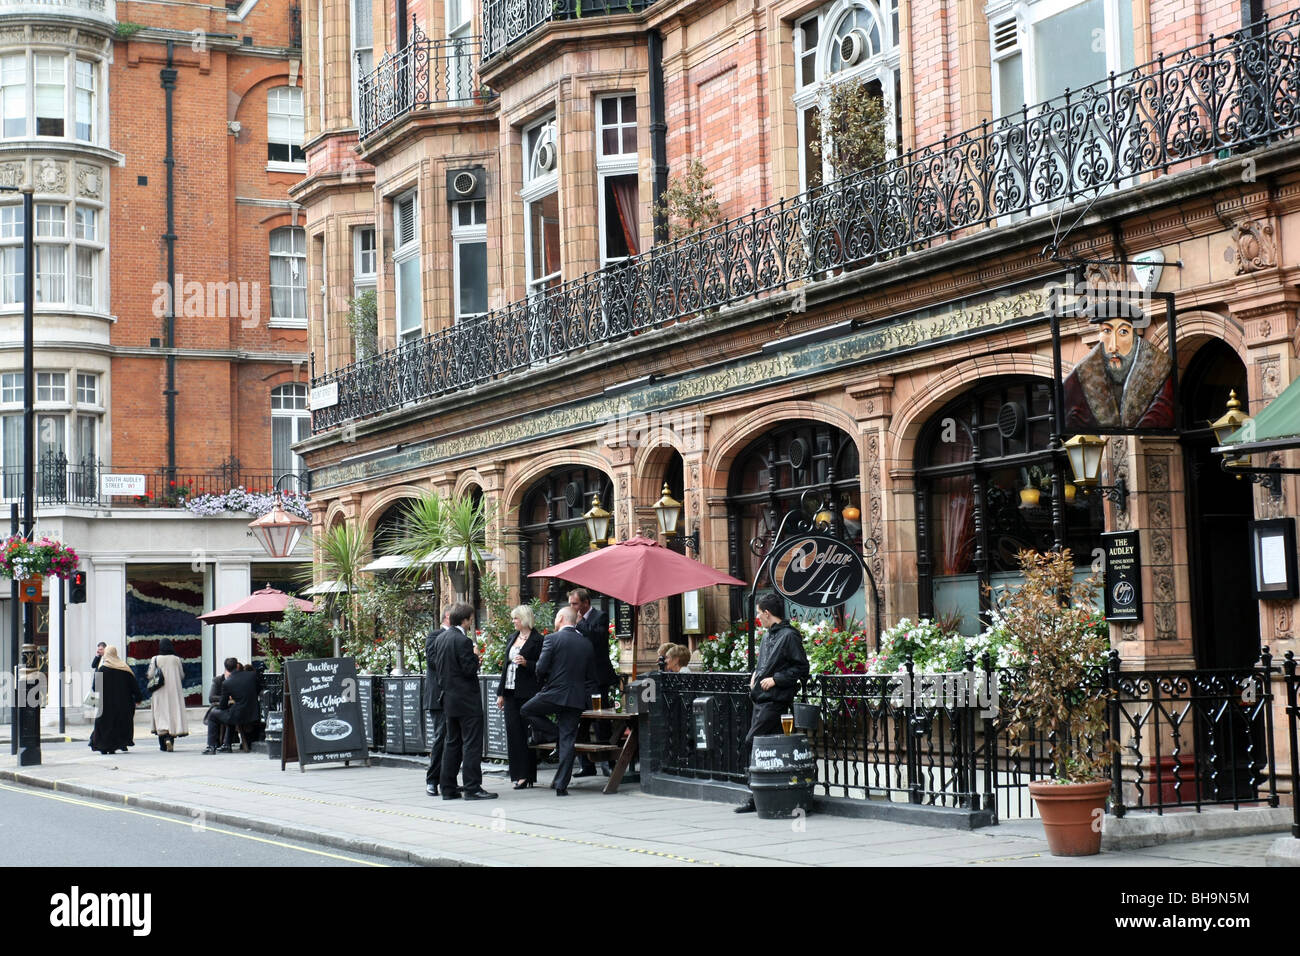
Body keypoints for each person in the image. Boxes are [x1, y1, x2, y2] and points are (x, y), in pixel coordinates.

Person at [734, 593, 809, 814]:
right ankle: (764, 796)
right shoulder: (768, 636)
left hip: (776, 700)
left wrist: (776, 679)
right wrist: (756, 675)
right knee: (769, 748)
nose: (758, 617)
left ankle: (754, 795)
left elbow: (802, 668)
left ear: (767, 613)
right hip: (761, 698)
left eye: (759, 613)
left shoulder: (789, 636)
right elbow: (764, 662)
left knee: (752, 742)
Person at [521, 606, 599, 796]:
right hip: (576, 697)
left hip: (554, 693)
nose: (555, 621)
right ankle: (561, 785)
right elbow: (591, 676)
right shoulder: (586, 643)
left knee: (526, 710)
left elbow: (540, 668)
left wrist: (545, 680)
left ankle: (554, 734)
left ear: (562, 618)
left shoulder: (552, 639)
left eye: (556, 618)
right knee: (567, 740)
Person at [1062, 312, 1174, 431]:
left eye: (1123, 332)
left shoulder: (1160, 369)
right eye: (1106, 331)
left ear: (1135, 337)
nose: (1113, 346)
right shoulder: (1077, 381)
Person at [434, 602, 497, 800]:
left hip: (449, 699)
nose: (471, 622)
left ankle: (448, 787)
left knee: (452, 743)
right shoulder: (463, 641)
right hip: (467, 701)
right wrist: (476, 657)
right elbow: (468, 670)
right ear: (464, 619)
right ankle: (472, 787)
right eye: (470, 619)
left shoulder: (441, 638)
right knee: (471, 744)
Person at [496, 605, 544, 789]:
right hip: (509, 691)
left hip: (527, 692)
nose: (513, 621)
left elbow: (543, 667)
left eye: (516, 618)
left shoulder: (538, 640)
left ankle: (527, 775)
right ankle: (516, 773)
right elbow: (505, 667)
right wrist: (500, 693)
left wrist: (527, 663)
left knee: (526, 733)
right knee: (513, 732)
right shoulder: (512, 638)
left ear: (524, 619)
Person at [570, 587, 615, 777]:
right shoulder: (572, 620)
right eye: (571, 604)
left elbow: (597, 639)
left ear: (586, 603)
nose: (572, 608)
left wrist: (579, 623)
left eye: (575, 604)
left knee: (600, 721)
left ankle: (606, 762)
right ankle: (586, 765)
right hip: (580, 678)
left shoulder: (600, 616)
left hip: (597, 678)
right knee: (580, 723)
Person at [89, 645, 142, 755]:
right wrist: (138, 698)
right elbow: (134, 686)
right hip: (123, 704)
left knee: (105, 725)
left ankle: (104, 747)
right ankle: (117, 744)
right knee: (120, 724)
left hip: (105, 705)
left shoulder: (102, 669)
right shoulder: (125, 668)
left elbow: (95, 687)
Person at [204, 656, 261, 754]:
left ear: (226, 668)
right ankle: (227, 744)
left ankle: (211, 746)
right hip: (253, 713)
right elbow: (258, 689)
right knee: (230, 712)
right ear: (237, 665)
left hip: (238, 715)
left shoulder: (227, 683)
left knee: (213, 715)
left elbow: (222, 705)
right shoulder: (251, 676)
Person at [423, 606, 451, 797]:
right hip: (438, 697)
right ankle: (432, 780)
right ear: (448, 617)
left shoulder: (460, 636)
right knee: (441, 738)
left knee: (454, 739)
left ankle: (448, 780)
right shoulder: (435, 635)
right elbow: (433, 661)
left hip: (455, 696)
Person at [147, 637, 188, 752]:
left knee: (161, 714)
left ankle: (162, 743)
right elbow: (182, 675)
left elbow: (150, 675)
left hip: (159, 691)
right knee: (173, 714)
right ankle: (170, 738)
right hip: (174, 691)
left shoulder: (155, 659)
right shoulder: (176, 659)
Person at [203, 659, 235, 751]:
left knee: (227, 715)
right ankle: (216, 743)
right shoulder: (218, 680)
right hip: (222, 707)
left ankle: (222, 744)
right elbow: (211, 698)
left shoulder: (235, 680)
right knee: (215, 714)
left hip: (232, 709)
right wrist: (227, 698)